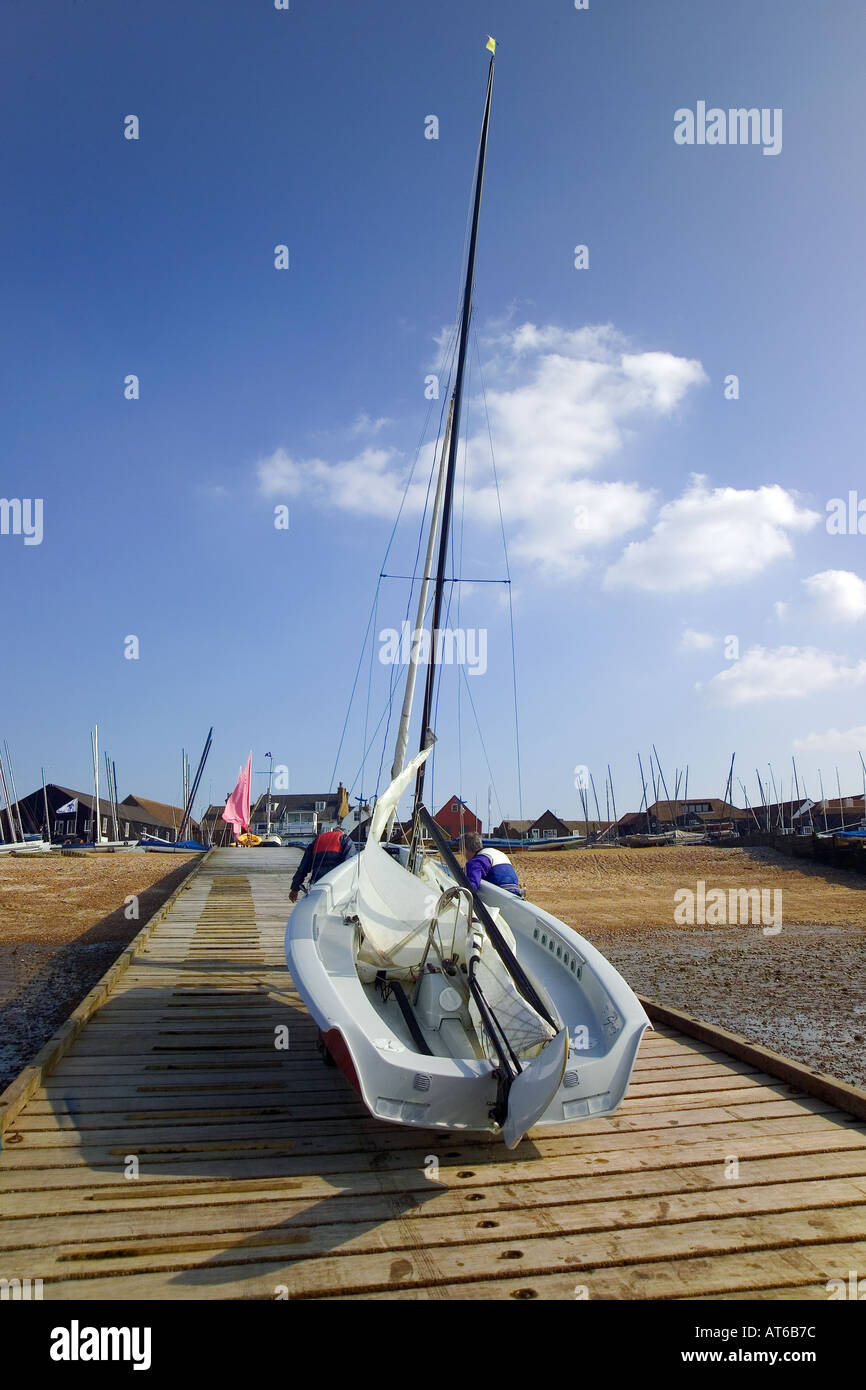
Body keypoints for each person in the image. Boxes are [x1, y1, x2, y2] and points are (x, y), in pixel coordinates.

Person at [289, 828, 356, 903]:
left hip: (317, 884)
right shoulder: (345, 839)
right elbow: (349, 865)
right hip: (335, 885)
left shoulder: (317, 840)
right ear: (342, 833)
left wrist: (294, 889)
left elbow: (303, 867)